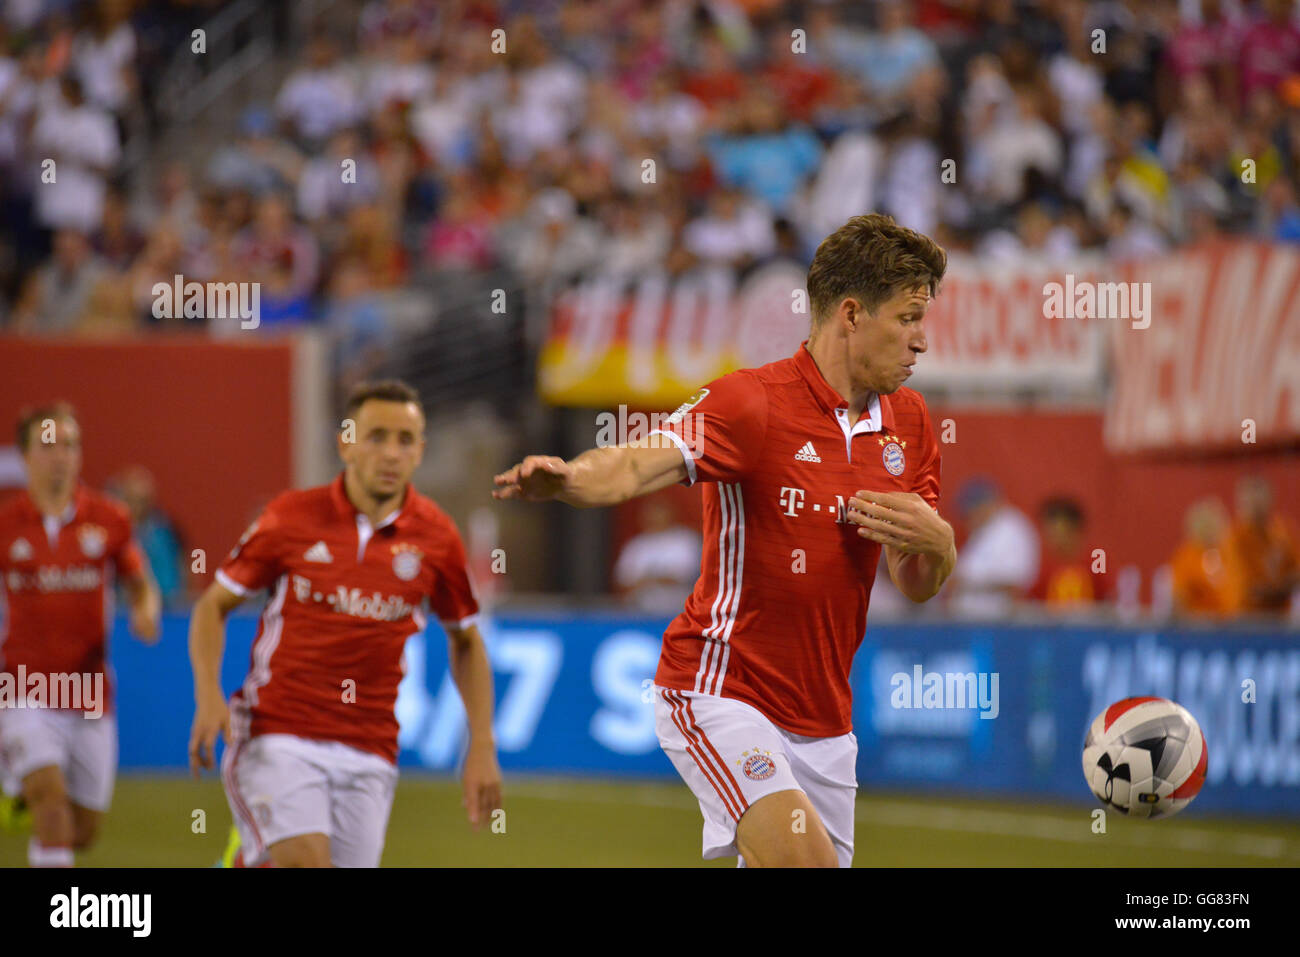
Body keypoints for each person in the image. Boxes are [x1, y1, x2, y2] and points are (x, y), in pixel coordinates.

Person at [495, 214, 955, 867]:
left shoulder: (909, 422)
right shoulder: (752, 403)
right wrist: (570, 477)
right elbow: (633, 462)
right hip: (721, 688)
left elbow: (916, 582)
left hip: (827, 722)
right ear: (852, 314)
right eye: (909, 318)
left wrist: (939, 544)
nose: (921, 342)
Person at [188, 380, 501, 867]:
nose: (391, 453)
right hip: (278, 731)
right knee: (307, 862)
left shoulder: (437, 537)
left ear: (420, 452)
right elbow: (213, 606)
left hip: (370, 746)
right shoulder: (291, 517)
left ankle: (248, 859)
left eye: (404, 440)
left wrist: (481, 742)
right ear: (346, 443)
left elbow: (466, 640)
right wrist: (208, 693)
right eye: (376, 436)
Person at [0, 402, 160, 867]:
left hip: (89, 692)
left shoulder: (109, 518)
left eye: (69, 445)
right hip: (22, 688)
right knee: (51, 801)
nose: (60, 456)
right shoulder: (6, 525)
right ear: (26, 455)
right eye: (48, 445)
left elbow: (138, 581)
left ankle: (17, 791)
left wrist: (145, 610)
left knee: (82, 830)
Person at [946, 477, 1039, 619]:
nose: (968, 517)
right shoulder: (984, 531)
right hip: (973, 621)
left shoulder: (1012, 528)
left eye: (973, 510)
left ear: (988, 504)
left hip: (999, 623)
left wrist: (966, 583)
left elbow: (1015, 583)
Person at [1222, 477, 1300, 616]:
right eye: (1251, 502)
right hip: (1246, 619)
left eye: (1260, 501)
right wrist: (1284, 587)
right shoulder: (1234, 538)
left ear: (1271, 500)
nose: (1256, 508)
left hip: (1280, 618)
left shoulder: (1283, 531)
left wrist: (1275, 589)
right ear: (1240, 503)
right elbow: (1249, 590)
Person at [612, 498, 701, 615]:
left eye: (658, 513)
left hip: (678, 610)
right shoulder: (636, 544)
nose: (654, 518)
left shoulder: (685, 540)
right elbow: (622, 582)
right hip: (639, 611)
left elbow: (683, 576)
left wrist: (647, 580)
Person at [1028, 497, 1112, 609]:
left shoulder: (1096, 560)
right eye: (1049, 533)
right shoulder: (1041, 568)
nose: (1054, 539)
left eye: (1059, 532)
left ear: (1074, 530)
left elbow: (1108, 599)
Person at [1169, 497, 1235, 617]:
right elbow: (1179, 598)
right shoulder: (1187, 557)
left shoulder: (1229, 553)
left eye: (1214, 522)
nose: (1210, 530)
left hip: (1231, 626)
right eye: (1205, 524)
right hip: (1199, 628)